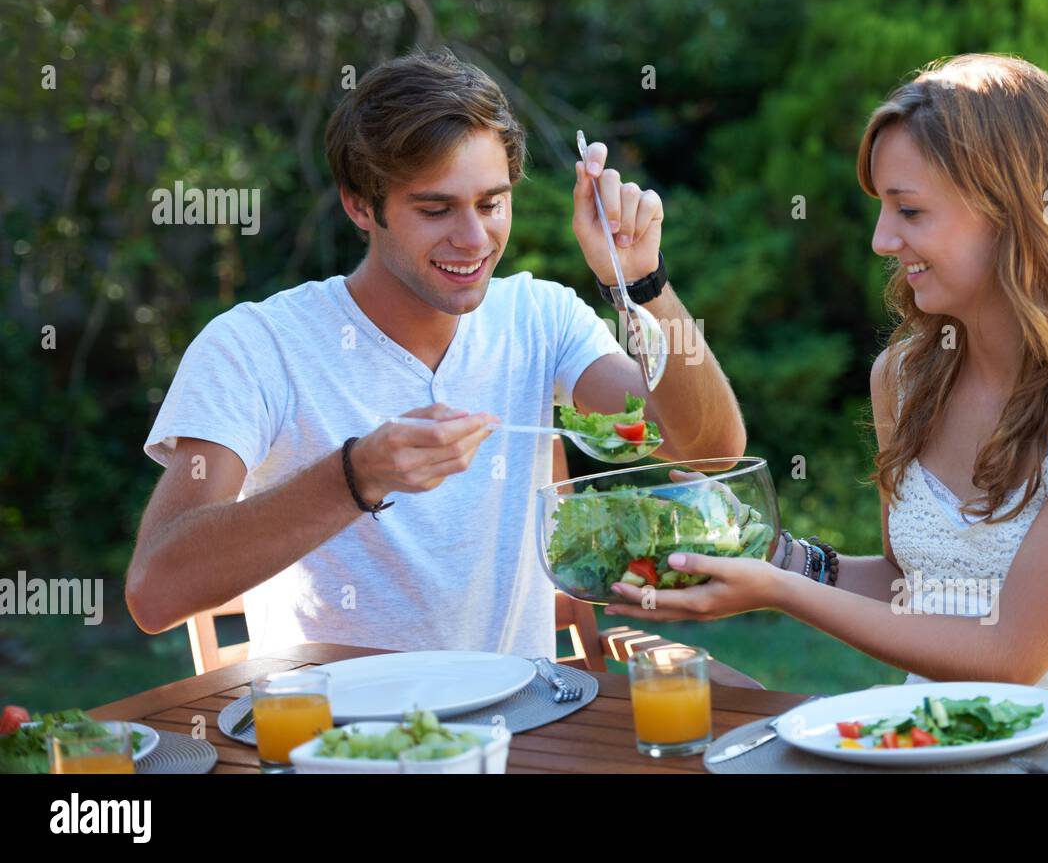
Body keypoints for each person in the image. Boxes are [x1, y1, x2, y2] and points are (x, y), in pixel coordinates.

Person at [604, 53, 1048, 736]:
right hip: (940, 747)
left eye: (911, 210)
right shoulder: (905, 377)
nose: (881, 240)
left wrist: (779, 593)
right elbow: (912, 583)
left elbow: (1010, 654)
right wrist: (773, 557)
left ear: (1014, 214)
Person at [125, 48, 746, 662]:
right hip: (336, 742)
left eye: (490, 203)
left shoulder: (539, 318)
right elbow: (156, 591)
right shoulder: (257, 347)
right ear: (360, 205)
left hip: (519, 730)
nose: (474, 240)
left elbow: (707, 447)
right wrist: (357, 473)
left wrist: (641, 283)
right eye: (435, 208)